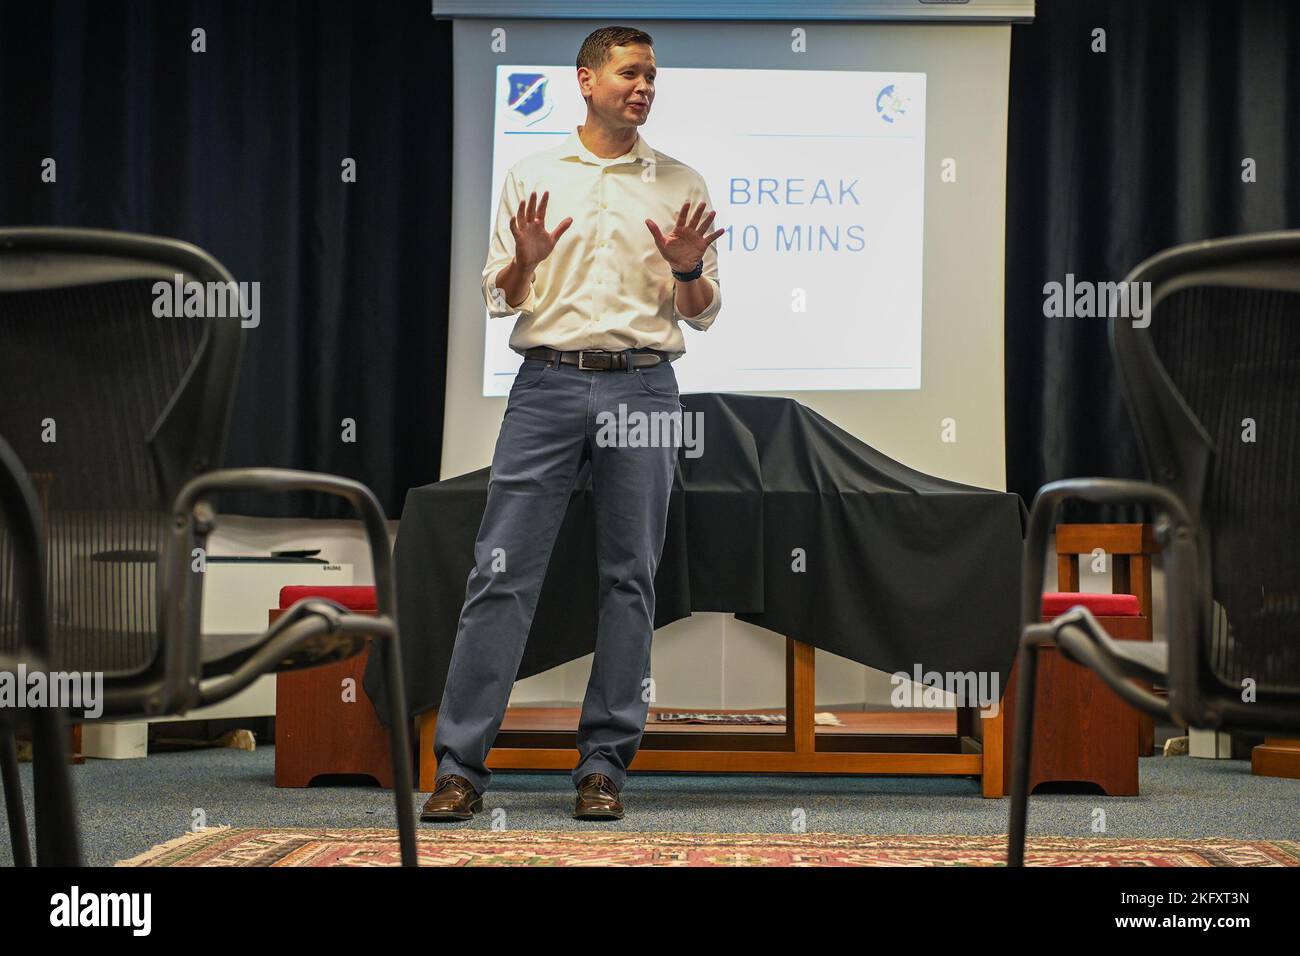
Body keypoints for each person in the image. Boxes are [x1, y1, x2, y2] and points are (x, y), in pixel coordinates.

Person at [423, 25, 724, 821]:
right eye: (630, 72)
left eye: (652, 75)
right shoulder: (532, 174)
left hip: (647, 389)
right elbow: (503, 296)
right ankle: (459, 768)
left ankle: (603, 769)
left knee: (630, 580)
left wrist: (689, 269)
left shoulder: (681, 182)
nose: (645, 86)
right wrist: (523, 257)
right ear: (585, 80)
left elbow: (703, 315)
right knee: (500, 575)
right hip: (549, 386)